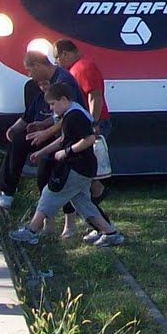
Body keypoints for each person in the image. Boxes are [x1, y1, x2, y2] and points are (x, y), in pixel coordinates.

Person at [9, 84, 126, 247]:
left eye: (52, 104)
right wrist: (41, 152)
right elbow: (64, 139)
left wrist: (67, 152)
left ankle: (31, 231)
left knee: (50, 194)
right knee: (83, 203)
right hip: (84, 167)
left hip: (75, 166)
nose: (51, 108)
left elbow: (89, 139)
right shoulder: (70, 114)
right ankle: (110, 233)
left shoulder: (75, 116)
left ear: (63, 99)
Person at [0, 49, 84, 209]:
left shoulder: (63, 82)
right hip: (54, 132)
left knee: (29, 149)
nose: (29, 75)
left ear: (37, 66)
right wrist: (36, 125)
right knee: (19, 140)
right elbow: (40, 115)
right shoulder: (48, 83)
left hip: (67, 136)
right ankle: (6, 191)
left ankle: (8, 191)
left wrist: (45, 133)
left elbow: (69, 117)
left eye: (29, 70)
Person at [53, 38, 113, 236]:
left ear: (65, 54)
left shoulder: (83, 67)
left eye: (57, 57)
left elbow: (94, 96)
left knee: (87, 177)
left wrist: (93, 124)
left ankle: (101, 222)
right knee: (85, 179)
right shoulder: (75, 68)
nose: (56, 62)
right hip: (85, 125)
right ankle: (98, 223)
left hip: (94, 125)